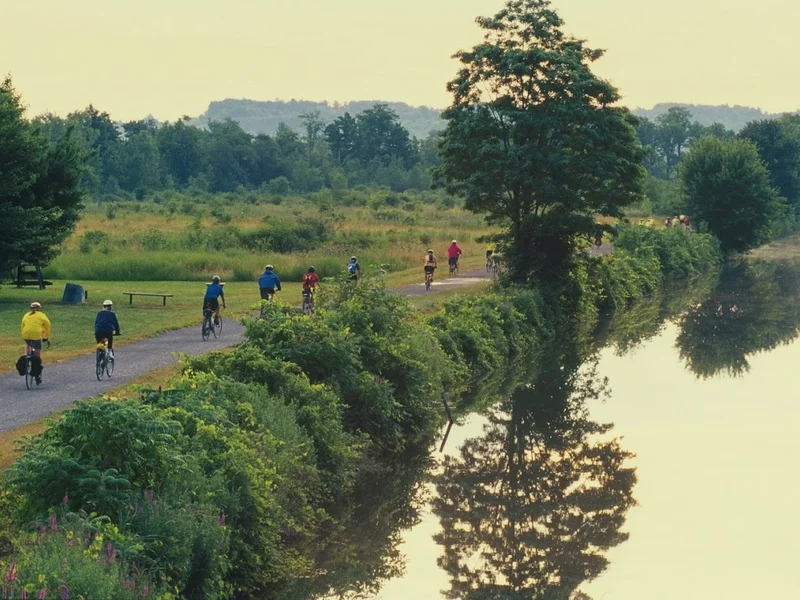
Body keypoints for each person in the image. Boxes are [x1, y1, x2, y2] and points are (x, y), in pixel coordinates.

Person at [21, 301, 51, 385]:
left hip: (25, 334)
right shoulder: (42, 316)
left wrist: (23, 334)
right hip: (36, 335)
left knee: (27, 344)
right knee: (37, 352)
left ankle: (26, 356)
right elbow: (47, 326)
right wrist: (46, 337)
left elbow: (22, 325)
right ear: (39, 308)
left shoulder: (26, 315)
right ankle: (37, 370)